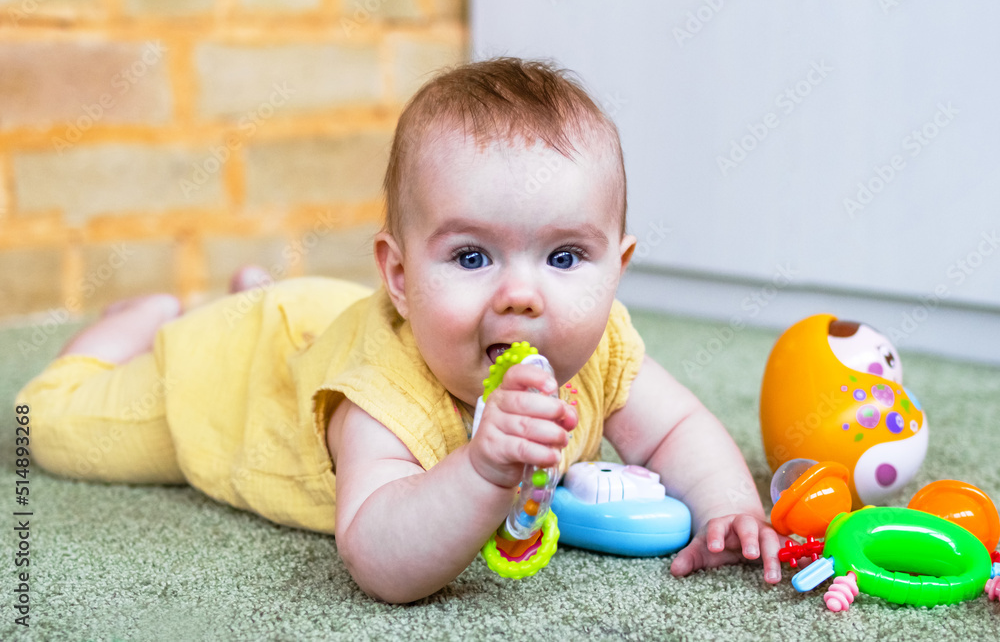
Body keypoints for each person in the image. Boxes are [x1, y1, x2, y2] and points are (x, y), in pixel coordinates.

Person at [16, 58, 783, 603]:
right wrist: (483, 470)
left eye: (564, 255)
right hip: (227, 380)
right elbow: (378, 556)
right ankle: (142, 323)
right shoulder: (383, 391)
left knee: (305, 320)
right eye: (473, 255)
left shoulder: (602, 344)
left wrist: (729, 510)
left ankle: (254, 293)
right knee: (49, 425)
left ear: (616, 268)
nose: (522, 295)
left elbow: (677, 427)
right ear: (401, 277)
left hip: (320, 319)